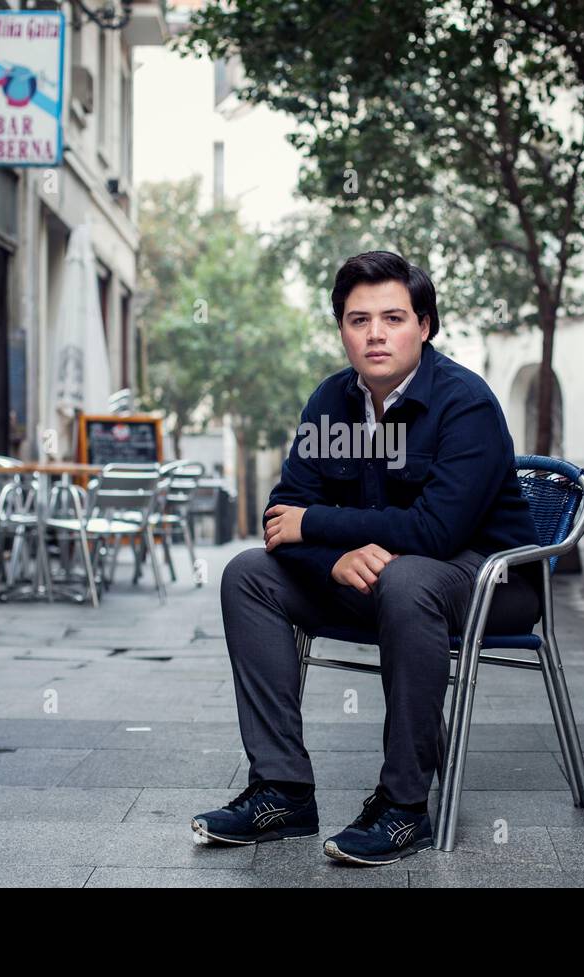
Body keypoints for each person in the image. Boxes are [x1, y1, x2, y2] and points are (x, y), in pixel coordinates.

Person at [191, 251, 542, 865]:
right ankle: (283, 792)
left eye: (394, 317)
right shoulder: (331, 402)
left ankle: (405, 807)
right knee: (248, 572)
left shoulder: (466, 405)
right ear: (342, 330)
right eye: (358, 320)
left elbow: (434, 531)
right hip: (375, 580)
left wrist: (320, 528)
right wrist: (331, 561)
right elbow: (281, 520)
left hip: (489, 580)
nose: (376, 334)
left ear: (424, 326)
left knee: (407, 578)